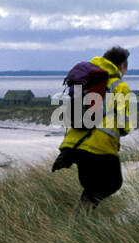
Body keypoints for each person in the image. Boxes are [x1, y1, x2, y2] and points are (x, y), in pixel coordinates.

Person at [51, 45, 132, 210]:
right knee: (113, 183)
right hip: (101, 146)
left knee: (90, 185)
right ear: (122, 66)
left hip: (74, 142)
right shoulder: (119, 86)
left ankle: (81, 223)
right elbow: (124, 125)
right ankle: (80, 217)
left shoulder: (87, 79)